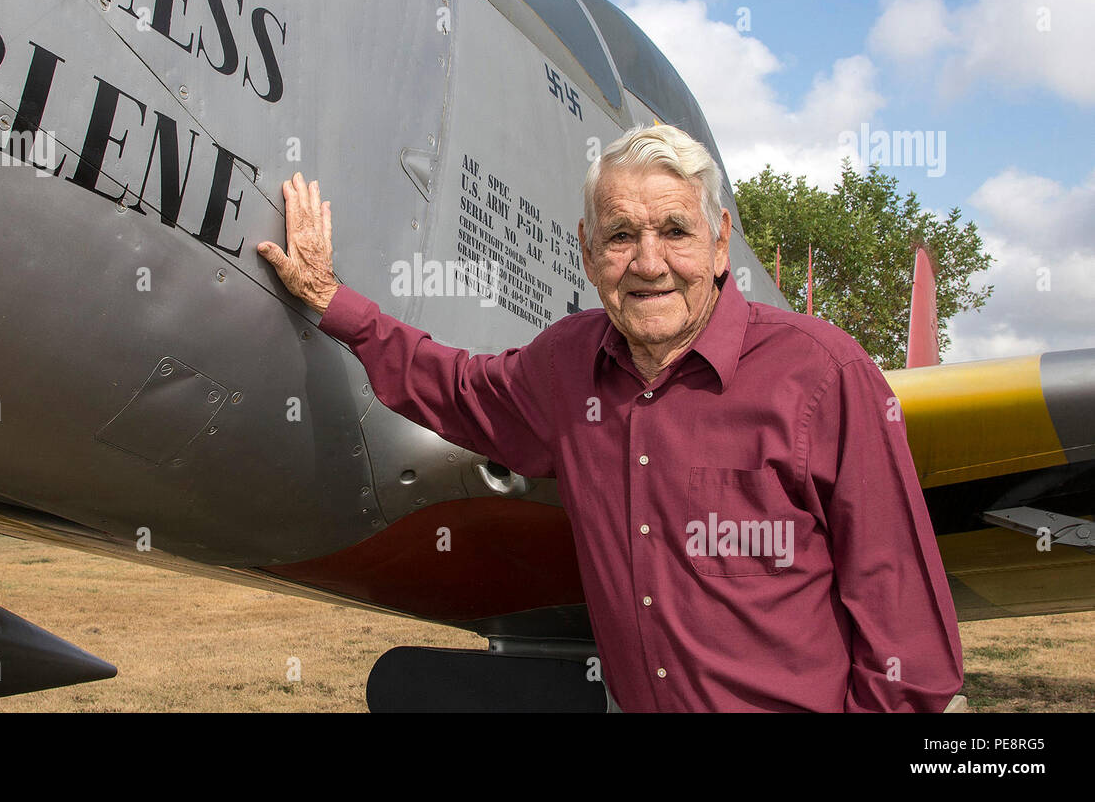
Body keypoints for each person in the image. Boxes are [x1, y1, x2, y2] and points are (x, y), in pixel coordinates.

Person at [257, 123, 965, 712]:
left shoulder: (826, 375)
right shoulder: (565, 365)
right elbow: (456, 388)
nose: (649, 262)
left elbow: (908, 636)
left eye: (675, 231)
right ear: (588, 251)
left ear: (720, 244)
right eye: (621, 234)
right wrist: (330, 297)